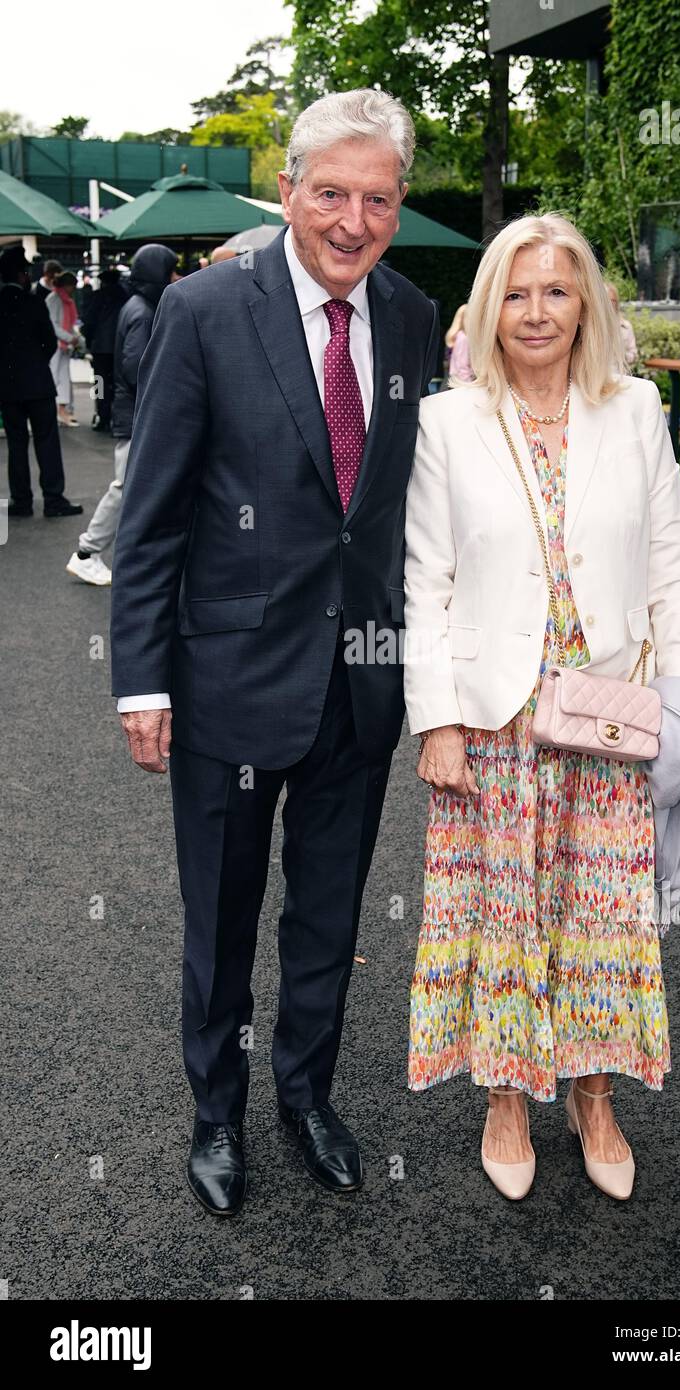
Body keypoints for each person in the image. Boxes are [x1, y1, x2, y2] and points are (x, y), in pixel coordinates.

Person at [110, 88, 439, 1216]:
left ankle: (305, 1094)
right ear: (289, 190)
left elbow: (402, 513)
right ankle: (217, 1111)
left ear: (398, 207)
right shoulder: (204, 311)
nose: (352, 221)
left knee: (328, 914)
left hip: (359, 683)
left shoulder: (408, 315)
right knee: (221, 915)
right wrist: (142, 678)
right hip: (225, 683)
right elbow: (149, 517)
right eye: (331, 193)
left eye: (378, 200)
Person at [403, 212, 680, 1203]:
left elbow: (672, 573)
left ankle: (590, 1091)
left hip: (608, 710)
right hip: (493, 716)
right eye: (516, 293)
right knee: (503, 908)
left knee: (602, 913)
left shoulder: (634, 411)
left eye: (556, 291)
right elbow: (425, 583)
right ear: (490, 306)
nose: (535, 312)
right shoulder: (449, 422)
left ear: (585, 304)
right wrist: (436, 718)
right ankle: (503, 1092)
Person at [66, 245, 179, 587]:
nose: (175, 277)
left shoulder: (139, 306)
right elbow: (136, 366)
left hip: (133, 412)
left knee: (135, 487)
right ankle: (87, 552)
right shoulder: (143, 311)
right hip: (136, 415)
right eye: (170, 270)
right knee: (124, 486)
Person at [0, 244, 82, 518]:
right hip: (37, 382)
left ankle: (21, 500)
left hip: (8, 387)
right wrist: (34, 363)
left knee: (16, 443)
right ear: (23, 274)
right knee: (47, 441)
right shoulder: (33, 302)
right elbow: (48, 341)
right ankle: (53, 499)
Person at [81, 268, 128, 432]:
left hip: (100, 347)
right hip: (120, 347)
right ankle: (117, 416)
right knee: (117, 383)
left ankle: (102, 415)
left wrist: (88, 342)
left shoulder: (97, 296)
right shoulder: (125, 297)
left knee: (100, 383)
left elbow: (89, 321)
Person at [45, 271, 84, 426]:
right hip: (57, 344)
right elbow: (53, 324)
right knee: (56, 377)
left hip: (62, 344)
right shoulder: (55, 299)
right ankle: (58, 411)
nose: (73, 289)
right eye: (72, 286)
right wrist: (71, 338)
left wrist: (74, 339)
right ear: (66, 285)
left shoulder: (63, 299)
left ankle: (62, 410)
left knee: (62, 377)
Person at [605, 281, 638, 369]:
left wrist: (622, 355)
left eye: (613, 301)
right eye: (606, 300)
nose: (609, 305)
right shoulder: (588, 326)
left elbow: (634, 354)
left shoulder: (626, 326)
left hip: (620, 376)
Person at [444, 302, 475, 385]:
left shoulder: (458, 336)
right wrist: (469, 386)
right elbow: (462, 366)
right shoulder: (464, 338)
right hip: (462, 384)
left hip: (455, 381)